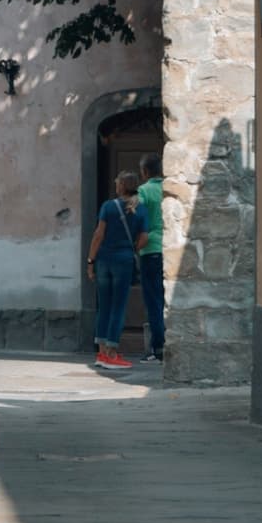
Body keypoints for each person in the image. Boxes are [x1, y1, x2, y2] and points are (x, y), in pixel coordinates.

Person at [86, 170, 147, 369]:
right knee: (118, 308)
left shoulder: (108, 206)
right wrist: (131, 249)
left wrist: (90, 261)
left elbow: (98, 235)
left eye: (117, 182)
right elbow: (144, 238)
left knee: (104, 306)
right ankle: (112, 353)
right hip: (124, 261)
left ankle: (102, 353)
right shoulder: (140, 208)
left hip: (104, 260)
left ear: (121, 186)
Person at [136, 151, 165, 362]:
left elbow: (136, 217)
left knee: (154, 301)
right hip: (168, 248)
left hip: (150, 249)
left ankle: (158, 346)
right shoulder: (169, 188)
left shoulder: (143, 191)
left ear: (145, 171)